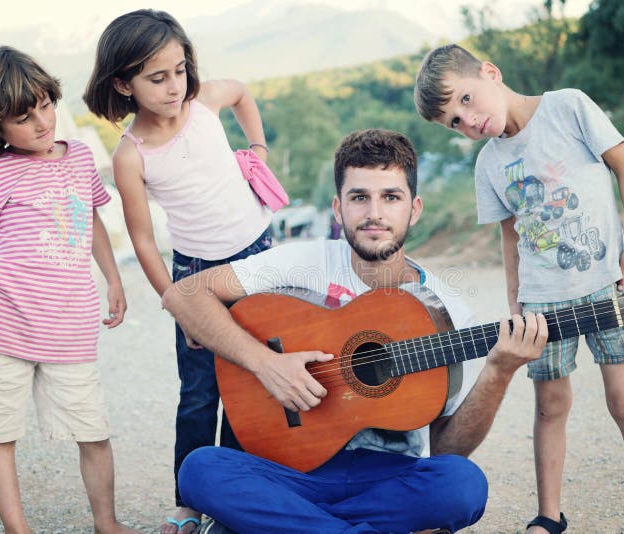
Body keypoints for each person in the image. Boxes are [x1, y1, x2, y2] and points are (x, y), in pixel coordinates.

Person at [161, 128, 549, 533]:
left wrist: (499, 372)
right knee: (200, 469)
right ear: (338, 207)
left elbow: (448, 448)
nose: (374, 213)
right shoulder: (306, 260)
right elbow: (184, 294)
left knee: (462, 485)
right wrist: (266, 364)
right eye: (359, 197)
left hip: (383, 480)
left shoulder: (448, 311)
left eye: (391, 197)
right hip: (290, 472)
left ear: (414, 209)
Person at [414, 45, 624, 534]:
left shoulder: (568, 106)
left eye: (467, 101)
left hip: (607, 282)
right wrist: (516, 302)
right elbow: (509, 237)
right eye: (454, 122)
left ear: (490, 73)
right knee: (549, 405)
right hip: (542, 301)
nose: (469, 121)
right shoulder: (489, 165)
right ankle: (549, 515)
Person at [83, 9, 274, 533]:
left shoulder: (205, 102)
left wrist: (257, 147)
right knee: (200, 393)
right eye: (157, 77)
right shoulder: (131, 154)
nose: (175, 86)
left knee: (251, 379)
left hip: (258, 256)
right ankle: (190, 501)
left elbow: (242, 93)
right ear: (123, 83)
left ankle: (235, 494)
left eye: (180, 70)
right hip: (195, 276)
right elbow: (143, 241)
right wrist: (180, 306)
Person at [0, 46, 136, 534]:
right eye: (24, 117)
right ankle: (17, 528)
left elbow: (92, 224)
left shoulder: (81, 158)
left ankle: (106, 522)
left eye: (46, 105)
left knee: (92, 430)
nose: (43, 121)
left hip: (68, 330)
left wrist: (113, 277)